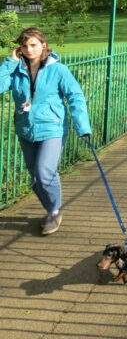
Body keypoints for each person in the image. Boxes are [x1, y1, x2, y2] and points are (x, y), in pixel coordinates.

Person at [0, 27, 92, 235]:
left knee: (44, 172)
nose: (29, 49)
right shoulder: (16, 70)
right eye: (24, 45)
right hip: (26, 130)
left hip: (52, 128)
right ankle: (51, 209)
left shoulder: (58, 70)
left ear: (43, 45)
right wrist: (9, 63)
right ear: (19, 48)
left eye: (33, 44)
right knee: (34, 177)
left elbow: (76, 97)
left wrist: (83, 127)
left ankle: (53, 211)